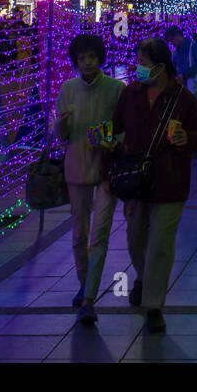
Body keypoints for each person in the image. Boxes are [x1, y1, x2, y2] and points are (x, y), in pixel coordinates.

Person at [111, 37, 197, 333]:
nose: (138, 68)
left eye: (144, 63)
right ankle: (143, 277)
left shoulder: (183, 99)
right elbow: (115, 129)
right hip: (135, 184)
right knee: (135, 240)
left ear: (161, 67)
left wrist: (186, 139)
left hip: (170, 182)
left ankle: (154, 305)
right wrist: (98, 148)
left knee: (160, 246)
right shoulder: (130, 94)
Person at [54, 34, 125, 326]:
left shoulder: (117, 89)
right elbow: (61, 137)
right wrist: (61, 125)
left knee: (99, 235)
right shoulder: (68, 90)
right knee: (79, 235)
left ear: (100, 58)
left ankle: (89, 299)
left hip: (107, 170)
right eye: (82, 58)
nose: (88, 63)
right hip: (76, 169)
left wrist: (111, 140)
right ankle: (85, 284)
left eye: (92, 57)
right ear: (76, 61)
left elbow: (125, 131)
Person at [166, 25, 197, 98]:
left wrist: (183, 75)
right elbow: (174, 69)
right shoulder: (175, 53)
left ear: (177, 35)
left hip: (196, 90)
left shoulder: (193, 46)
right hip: (184, 90)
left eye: (172, 40)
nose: (172, 43)